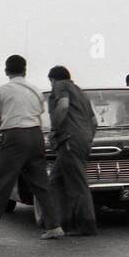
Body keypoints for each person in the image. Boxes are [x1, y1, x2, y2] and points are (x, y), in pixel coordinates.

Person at [0, 55, 64, 243]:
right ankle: (54, 226)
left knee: (2, 184)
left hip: (14, 136)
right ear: (25, 70)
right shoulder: (35, 90)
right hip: (35, 135)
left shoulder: (1, 90)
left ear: (6, 71)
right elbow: (39, 113)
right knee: (41, 184)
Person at [48, 65, 98, 236]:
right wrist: (87, 138)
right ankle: (61, 222)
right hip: (82, 139)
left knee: (77, 183)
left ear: (52, 79)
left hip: (68, 139)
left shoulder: (60, 86)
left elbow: (63, 106)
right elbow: (94, 121)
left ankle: (86, 225)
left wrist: (54, 130)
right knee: (55, 180)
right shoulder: (81, 92)